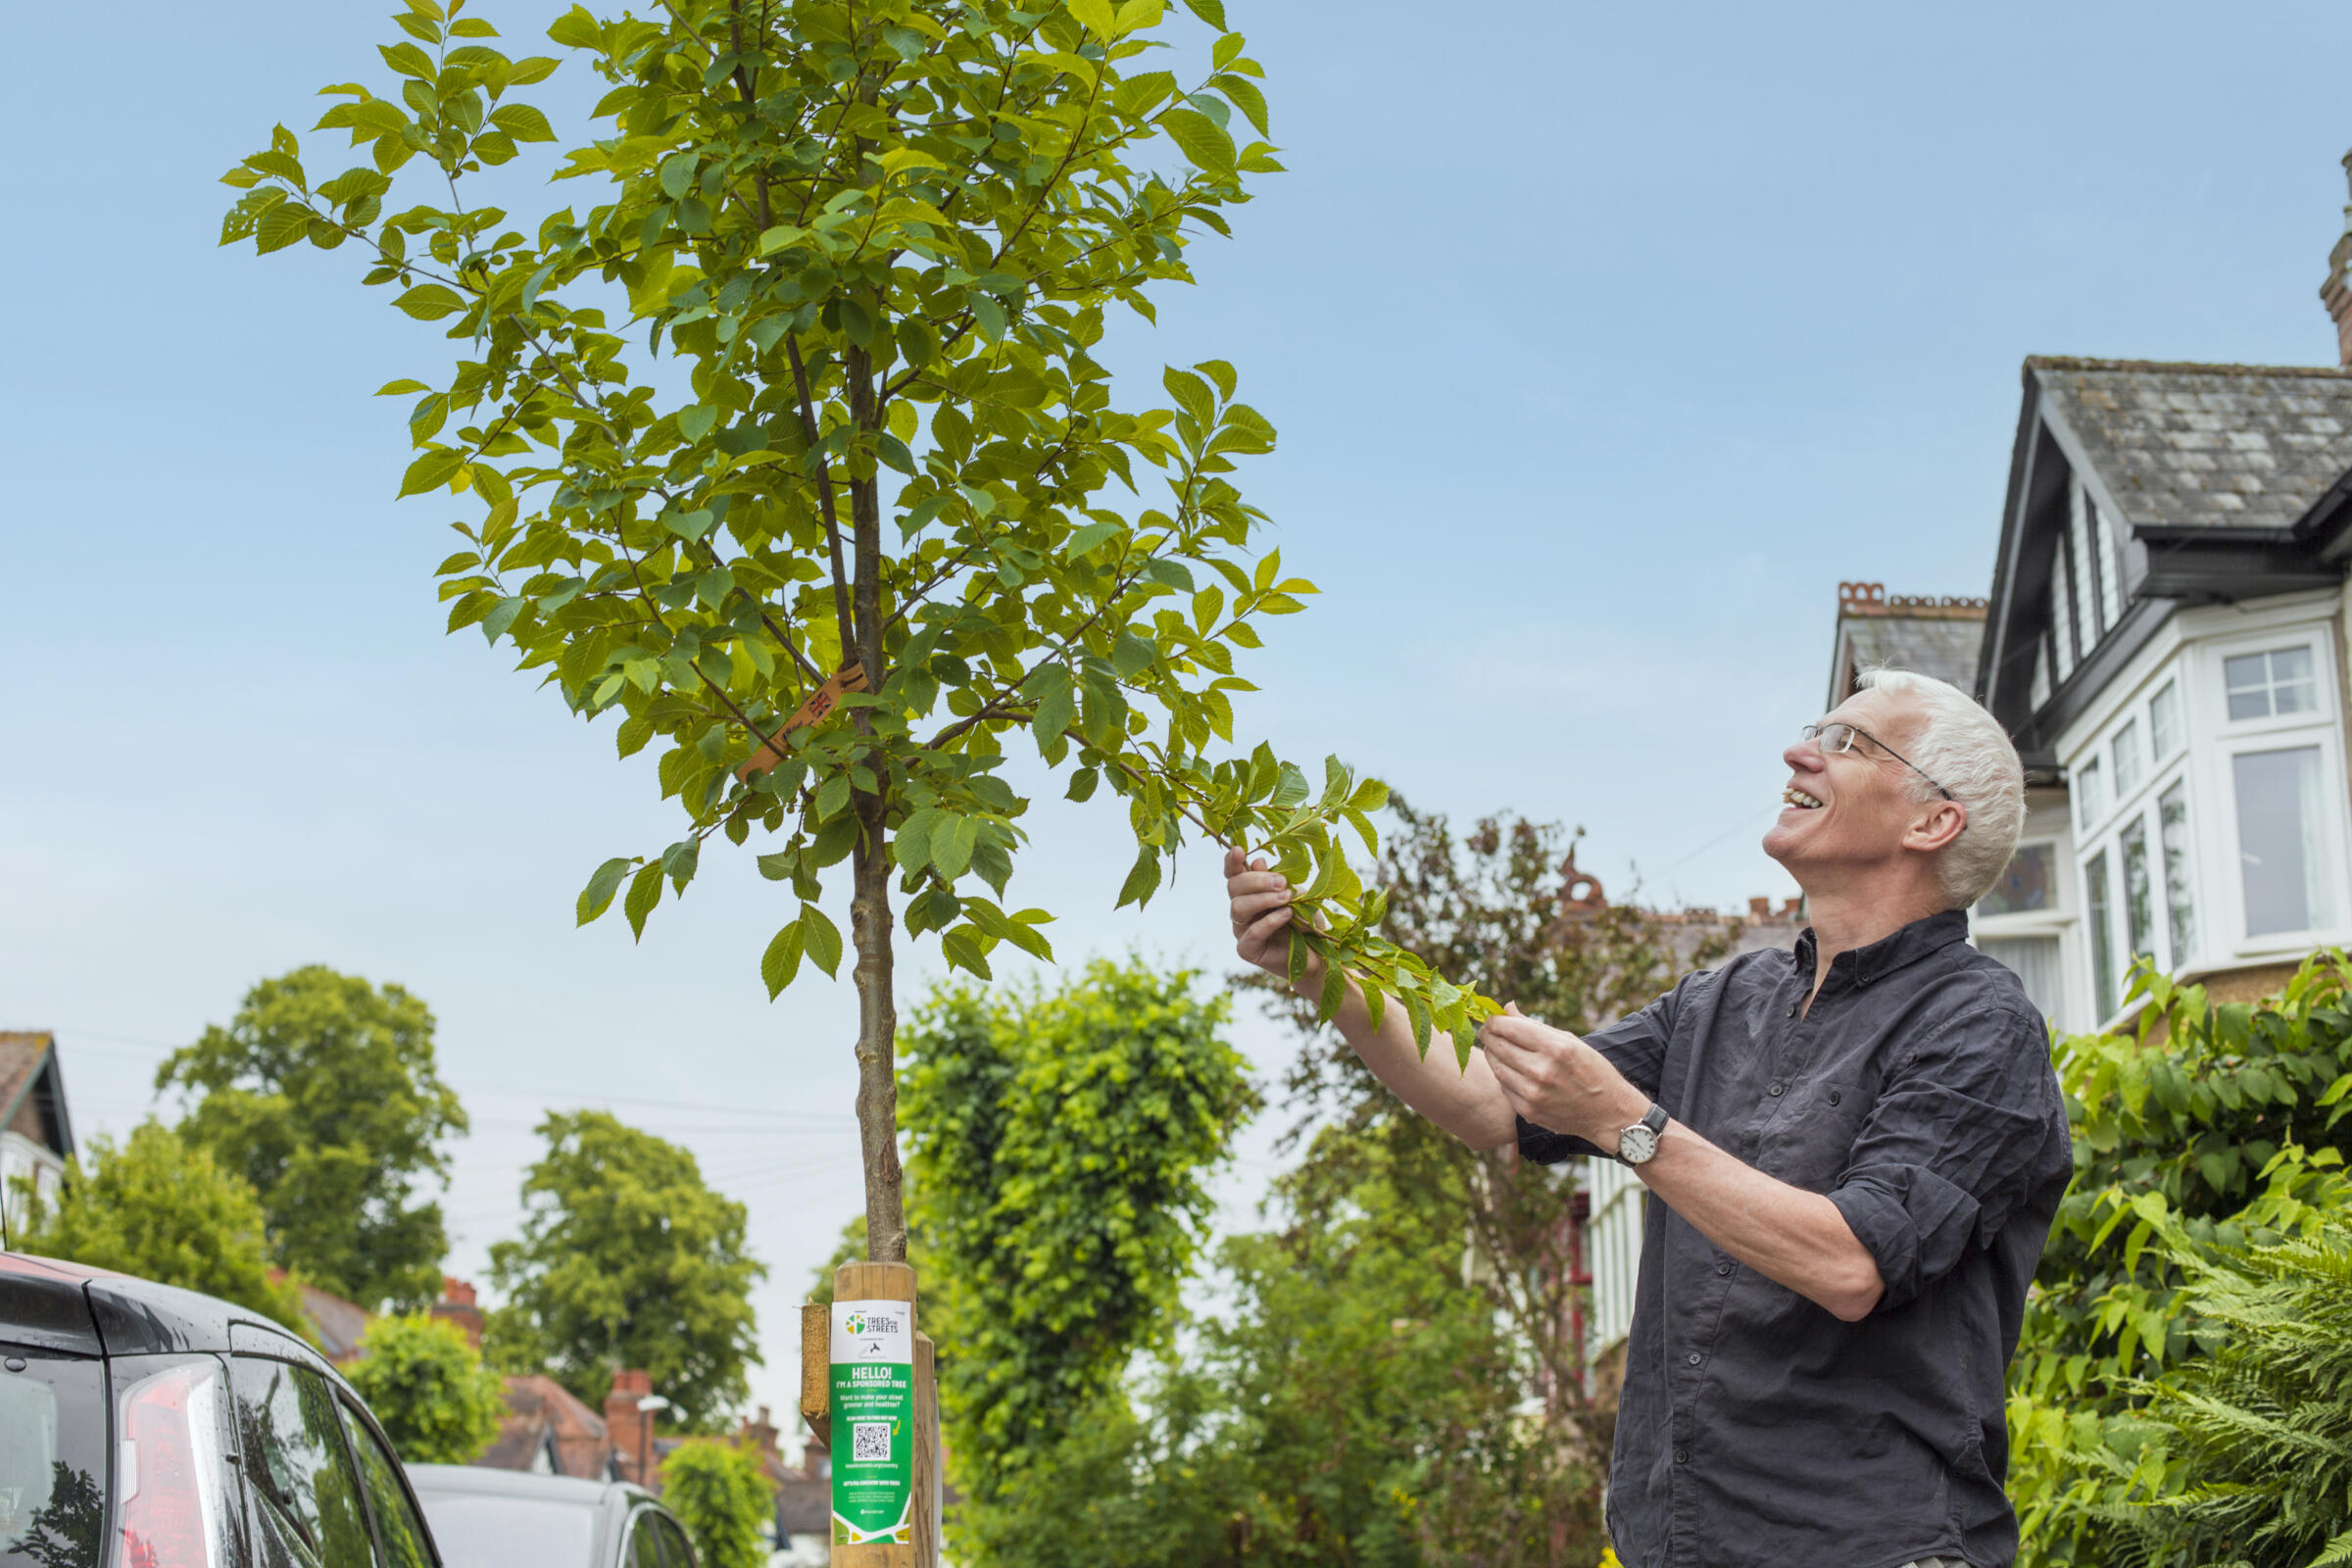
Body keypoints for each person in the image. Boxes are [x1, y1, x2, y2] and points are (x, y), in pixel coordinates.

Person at [1225, 667, 2073, 1568]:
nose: (1799, 751)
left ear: (1931, 822)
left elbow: (1852, 1260)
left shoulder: (1979, 1025)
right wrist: (1317, 968)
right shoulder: (1723, 1000)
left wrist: (1631, 1126)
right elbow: (1490, 1104)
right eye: (1813, 729)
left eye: (1846, 742)